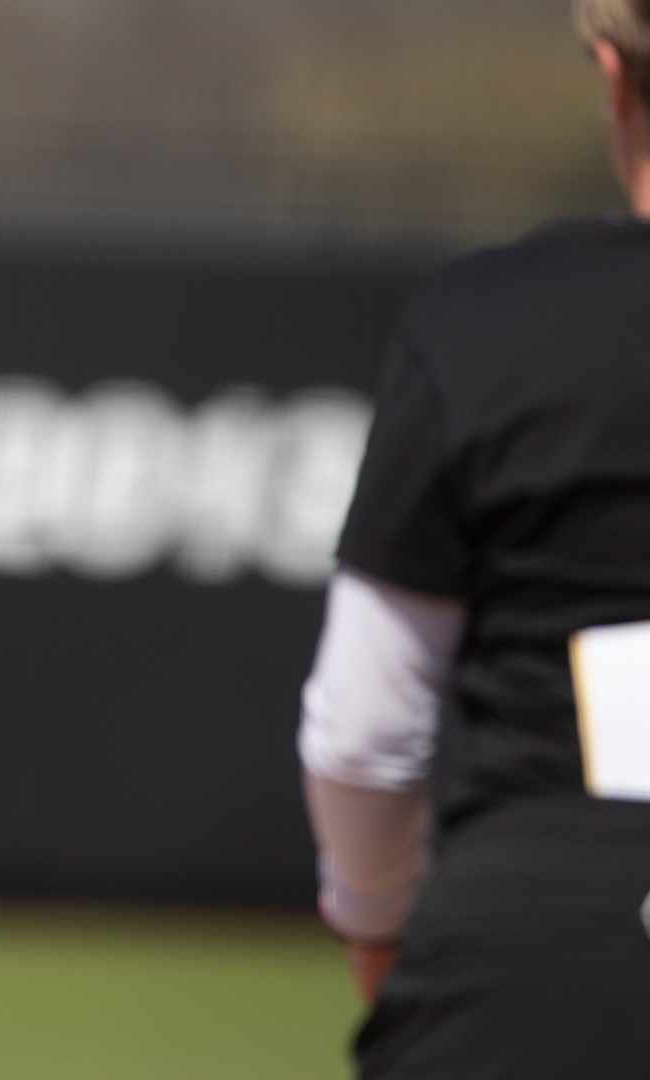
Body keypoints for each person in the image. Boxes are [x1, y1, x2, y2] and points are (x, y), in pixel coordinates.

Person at [298, 3, 650, 1076]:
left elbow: (361, 730)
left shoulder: (491, 322)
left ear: (609, 64)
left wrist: (380, 931)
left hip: (534, 962)